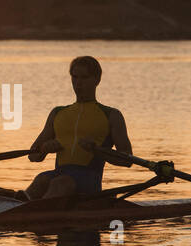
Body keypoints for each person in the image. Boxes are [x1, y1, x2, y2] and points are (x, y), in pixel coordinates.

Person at [20, 56, 133, 201]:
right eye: (75, 77)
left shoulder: (112, 115)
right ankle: (20, 209)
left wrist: (97, 150)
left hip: (88, 178)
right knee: (41, 179)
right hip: (59, 174)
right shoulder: (58, 113)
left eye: (84, 77)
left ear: (97, 80)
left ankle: (32, 213)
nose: (78, 83)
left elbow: (127, 159)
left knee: (61, 183)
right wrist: (44, 149)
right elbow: (33, 155)